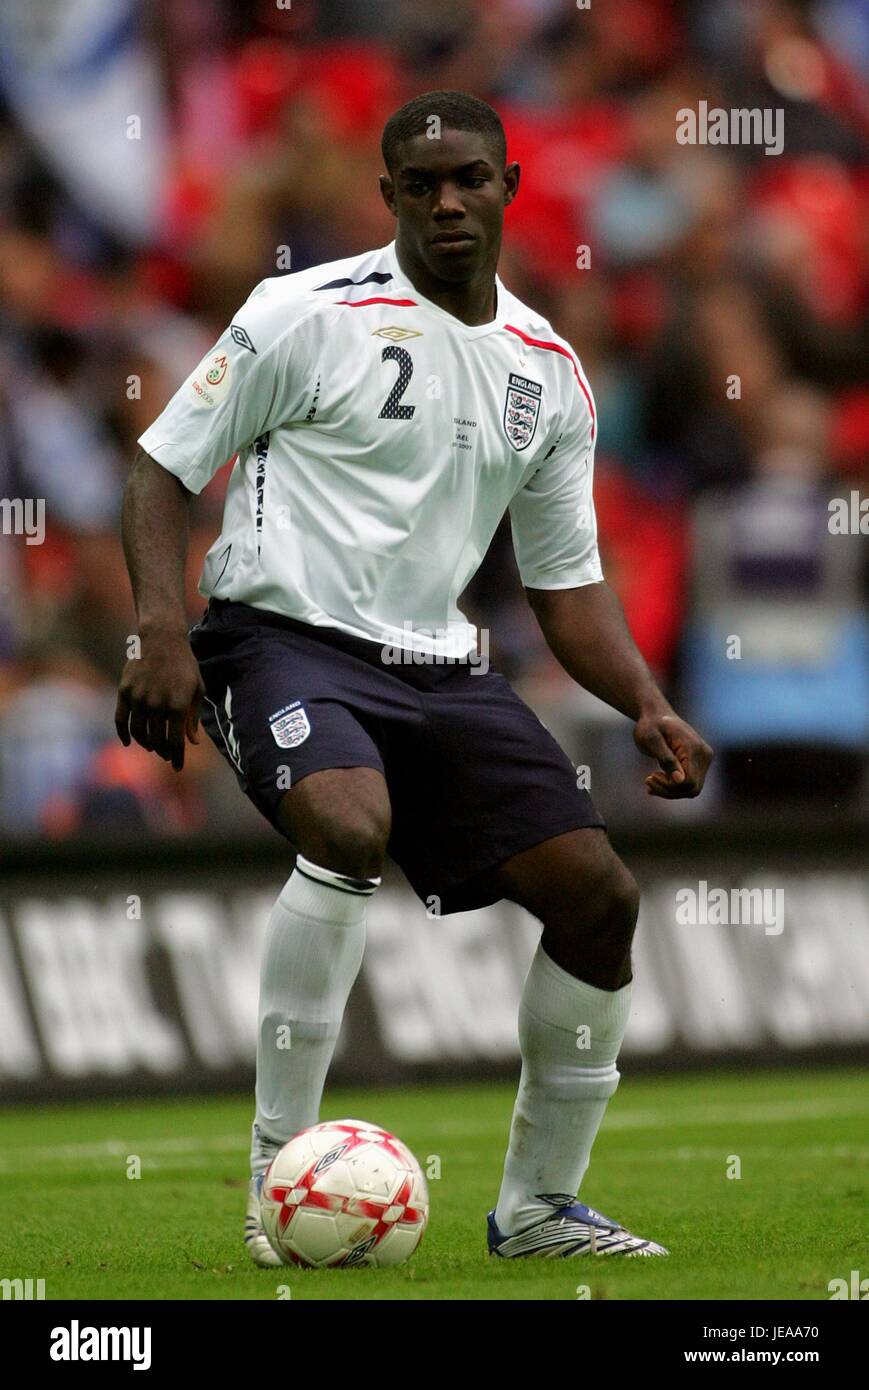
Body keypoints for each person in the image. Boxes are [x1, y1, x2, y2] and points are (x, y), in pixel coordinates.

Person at [116, 90, 713, 1263]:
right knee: (347, 826)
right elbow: (159, 469)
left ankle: (539, 1207)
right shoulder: (301, 311)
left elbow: (564, 583)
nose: (447, 200)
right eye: (422, 182)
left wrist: (642, 699)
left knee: (599, 900)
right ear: (385, 194)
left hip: (437, 666)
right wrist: (158, 630)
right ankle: (275, 1177)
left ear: (508, 188)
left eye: (470, 179)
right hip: (275, 637)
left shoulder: (546, 369)